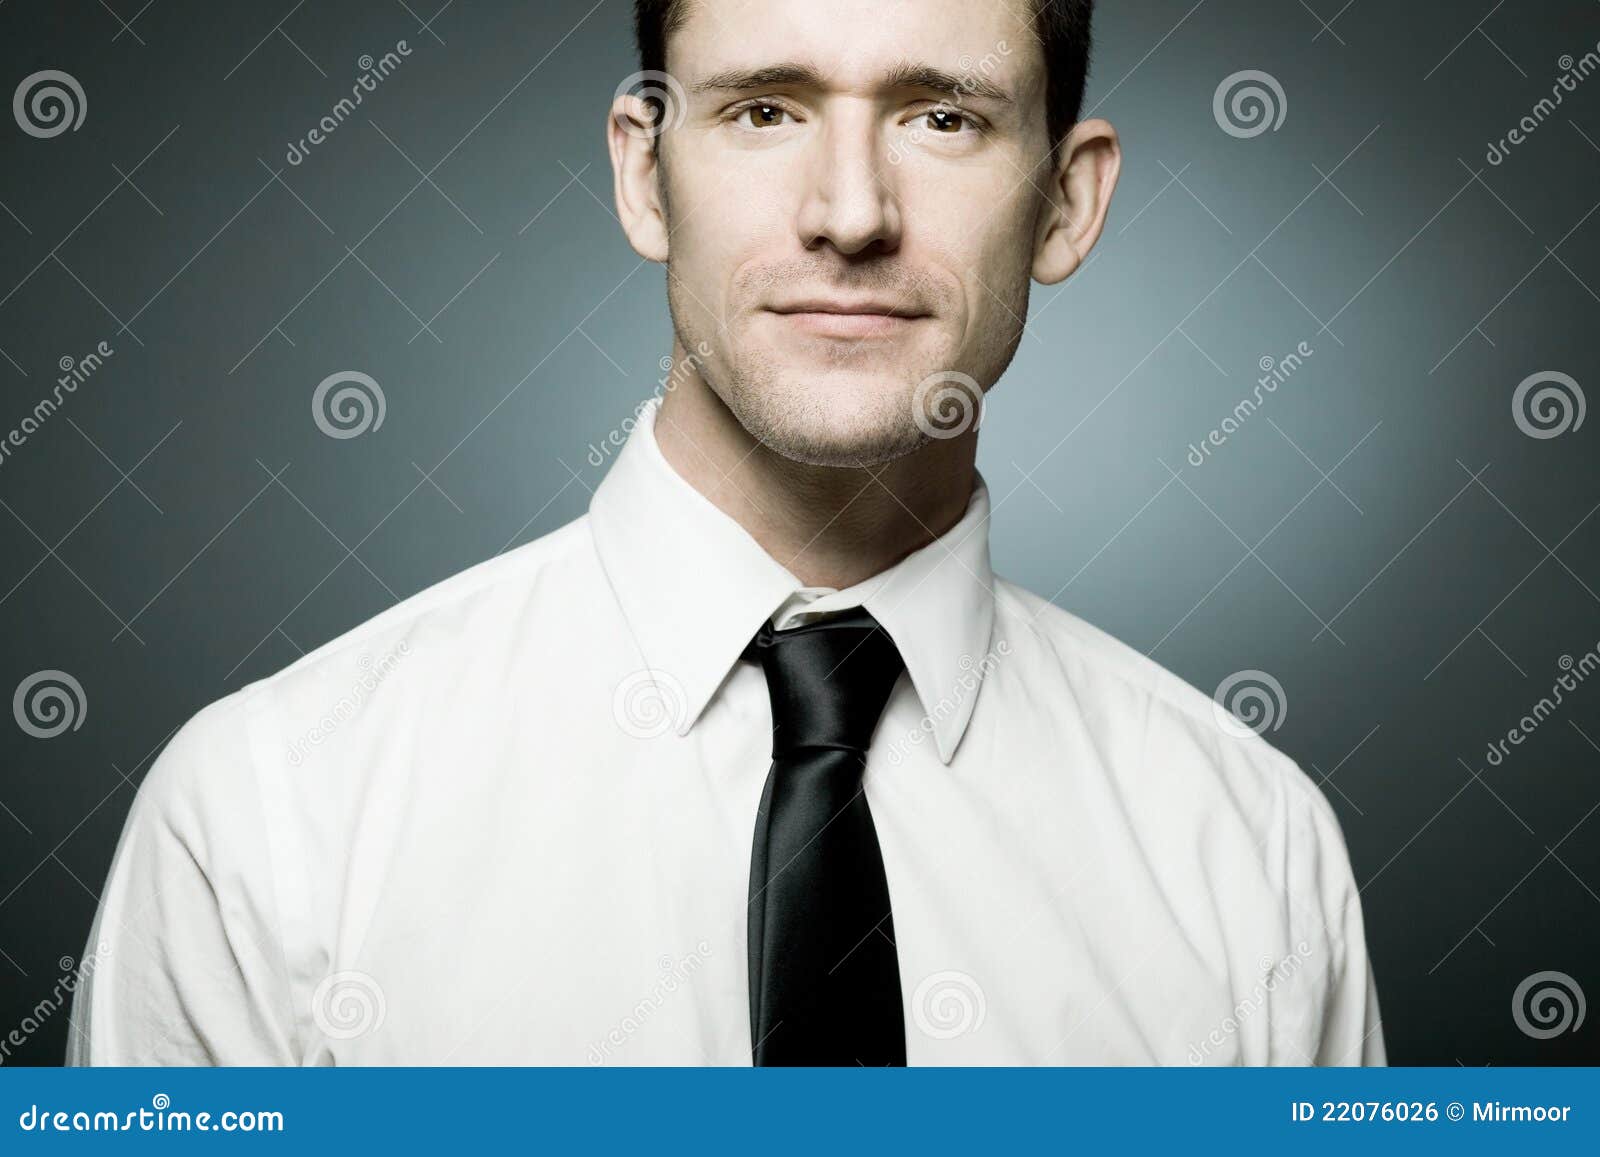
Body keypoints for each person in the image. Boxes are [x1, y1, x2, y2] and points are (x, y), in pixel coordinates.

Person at [68, 0, 1384, 1065]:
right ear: (646, 171)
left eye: (942, 115)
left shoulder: (1248, 851)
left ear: (1066, 204)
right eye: (764, 110)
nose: (851, 213)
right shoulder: (271, 814)